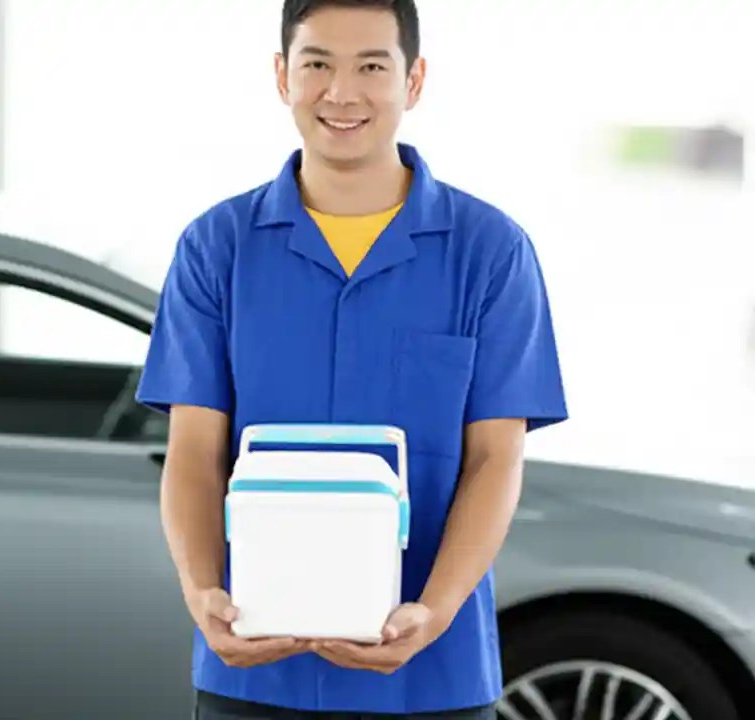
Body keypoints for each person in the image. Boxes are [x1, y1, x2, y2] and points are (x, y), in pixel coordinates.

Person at [135, 1, 569, 718]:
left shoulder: (491, 253)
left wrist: (433, 610)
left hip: (432, 677)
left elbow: (496, 459)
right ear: (282, 76)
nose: (342, 93)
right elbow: (194, 451)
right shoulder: (216, 247)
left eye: (372, 66)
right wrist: (200, 589)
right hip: (256, 671)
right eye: (317, 65)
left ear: (415, 79)